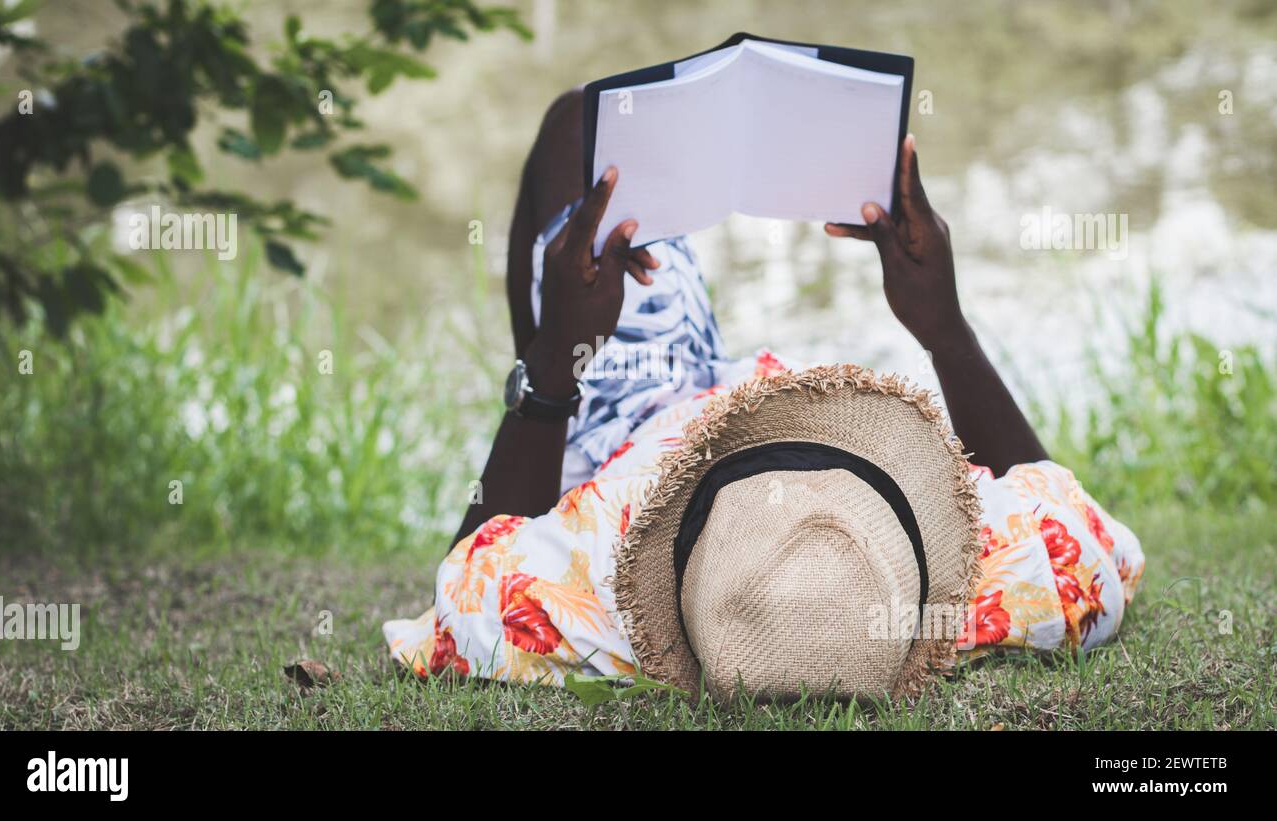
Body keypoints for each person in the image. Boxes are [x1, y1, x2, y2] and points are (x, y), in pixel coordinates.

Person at [382, 90, 1145, 698]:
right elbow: (1057, 499)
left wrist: (555, 359)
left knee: (576, 125)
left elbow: (462, 588)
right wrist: (941, 325)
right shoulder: (1010, 586)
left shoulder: (583, 597)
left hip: (629, 437)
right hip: (723, 407)